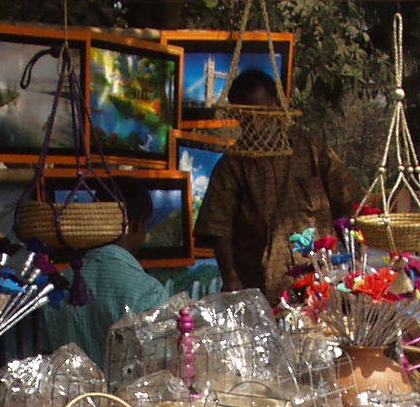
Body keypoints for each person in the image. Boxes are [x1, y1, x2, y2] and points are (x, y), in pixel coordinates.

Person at [193, 69, 361, 300]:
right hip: (264, 283)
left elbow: (346, 198)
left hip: (322, 276)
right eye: (246, 114)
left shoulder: (311, 148)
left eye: (261, 111)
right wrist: (231, 277)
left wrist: (354, 256)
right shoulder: (232, 164)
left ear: (275, 105)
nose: (255, 121)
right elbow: (218, 227)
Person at [36, 177, 168, 367]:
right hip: (126, 398)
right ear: (139, 224)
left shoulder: (57, 285)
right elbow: (161, 368)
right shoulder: (148, 292)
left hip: (68, 396)